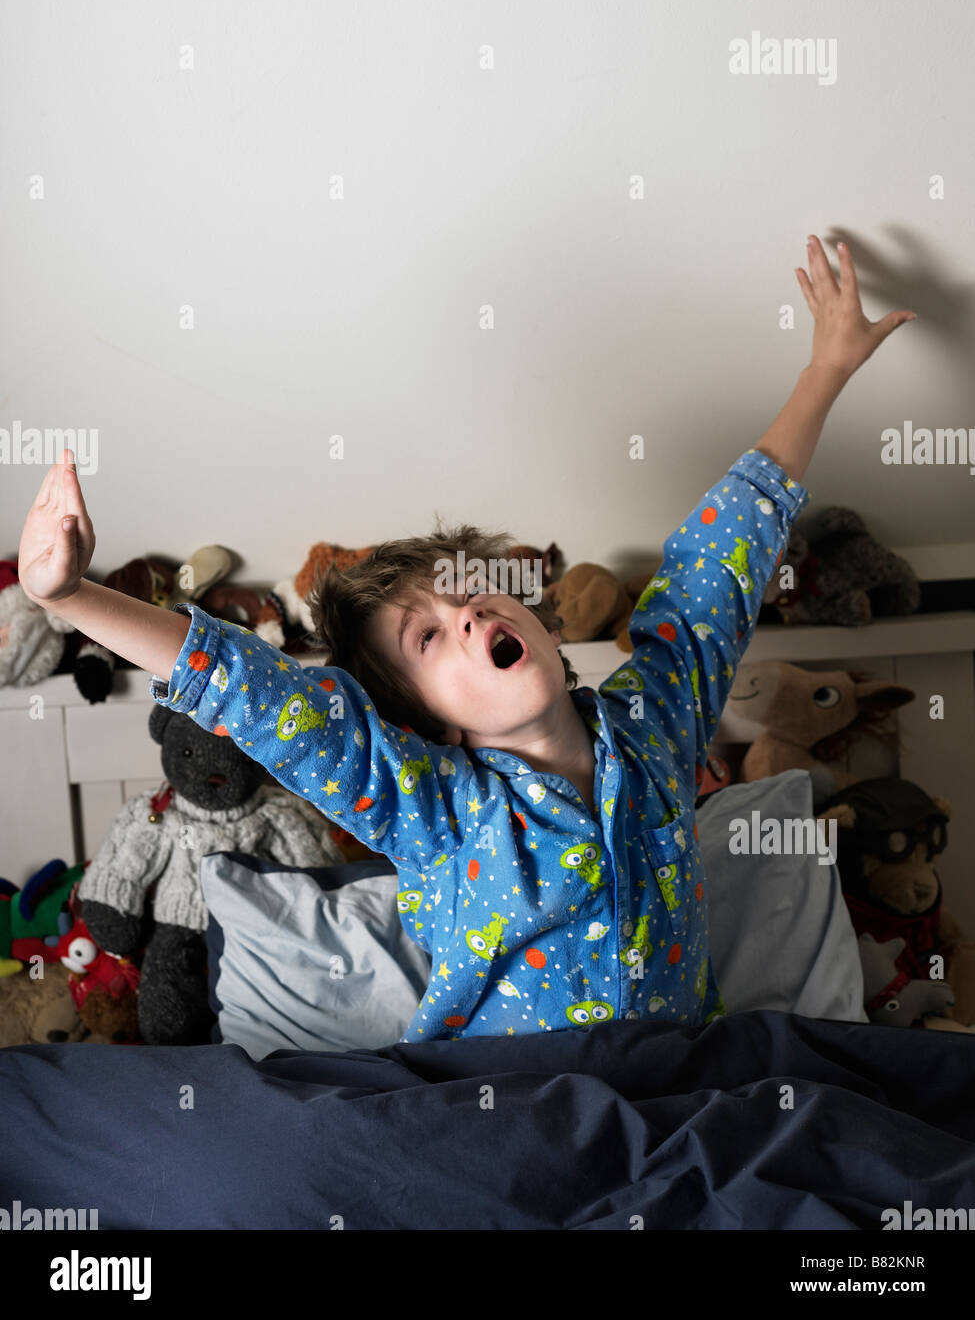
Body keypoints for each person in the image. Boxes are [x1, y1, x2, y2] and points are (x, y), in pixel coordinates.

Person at [17, 236, 916, 1041]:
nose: (472, 618)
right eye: (430, 637)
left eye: (474, 596)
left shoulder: (654, 726)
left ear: (540, 622)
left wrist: (825, 371)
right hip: (510, 1118)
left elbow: (716, 571)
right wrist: (72, 596)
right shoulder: (436, 805)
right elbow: (268, 700)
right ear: (428, 718)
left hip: (681, 1097)